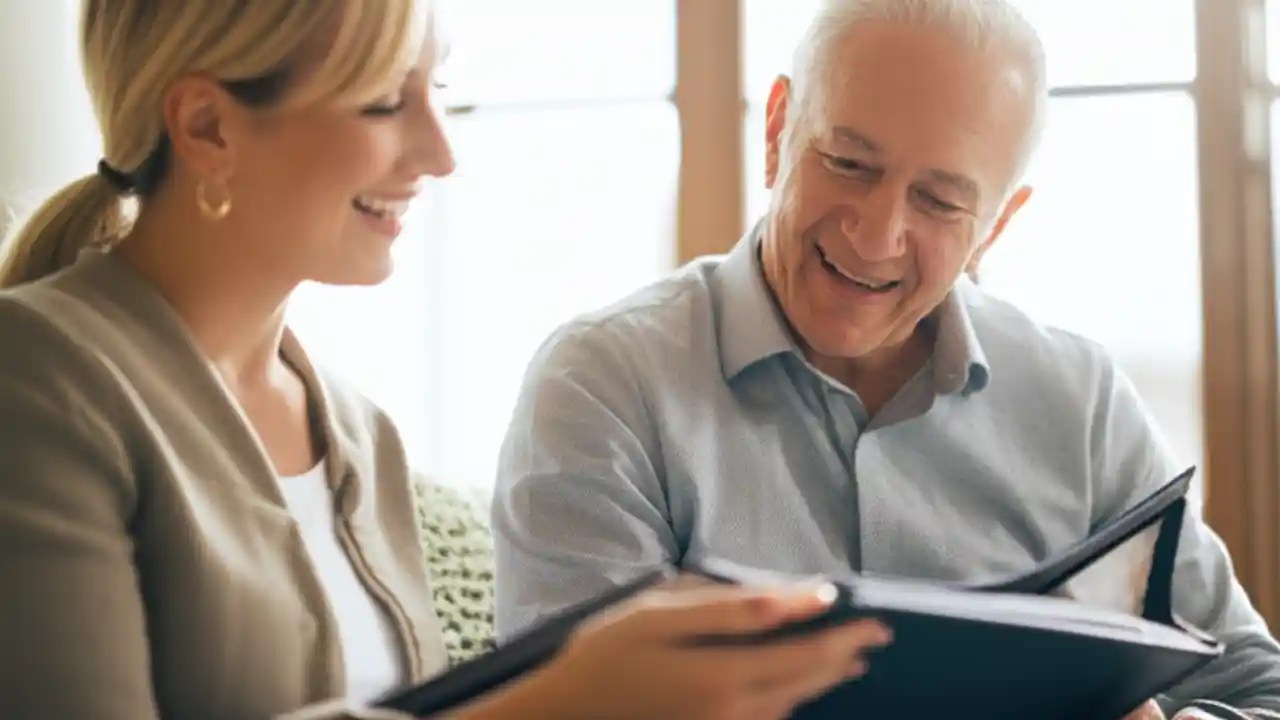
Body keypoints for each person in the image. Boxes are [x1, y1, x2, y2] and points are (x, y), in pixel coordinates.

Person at [0, 1, 895, 718]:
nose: (441, 151)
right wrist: (556, 704)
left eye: (441, 91)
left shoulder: (358, 434)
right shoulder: (39, 380)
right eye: (387, 101)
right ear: (206, 126)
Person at [490, 0, 1280, 718]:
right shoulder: (602, 388)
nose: (875, 235)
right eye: (848, 162)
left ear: (996, 226)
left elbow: (1258, 690)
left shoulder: (1083, 403)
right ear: (777, 132)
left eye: (939, 201)